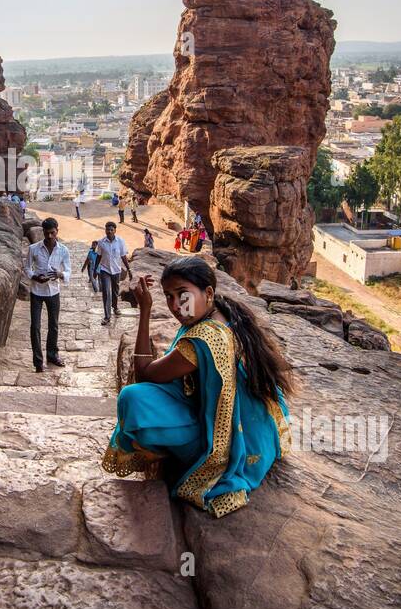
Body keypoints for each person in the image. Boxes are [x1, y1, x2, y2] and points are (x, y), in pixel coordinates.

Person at [101, 255, 294, 518]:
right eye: (168, 296)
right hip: (258, 427)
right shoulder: (223, 312)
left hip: (225, 439)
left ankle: (181, 452)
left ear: (209, 292)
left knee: (132, 398)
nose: (174, 305)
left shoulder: (203, 338)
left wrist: (144, 310)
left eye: (183, 295)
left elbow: (144, 374)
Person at [26, 218, 70, 372]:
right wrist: (34, 277)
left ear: (57, 230)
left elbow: (68, 271)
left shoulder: (63, 250)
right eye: (47, 233)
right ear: (43, 232)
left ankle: (52, 355)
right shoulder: (34, 249)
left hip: (53, 291)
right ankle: (38, 362)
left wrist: (60, 274)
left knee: (54, 326)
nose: (50, 236)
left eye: (52, 233)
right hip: (37, 291)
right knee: (35, 327)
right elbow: (27, 268)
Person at [95, 221, 132, 326]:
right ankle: (107, 316)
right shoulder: (101, 242)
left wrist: (129, 269)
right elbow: (99, 256)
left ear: (115, 230)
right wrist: (95, 269)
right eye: (108, 229)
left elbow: (123, 256)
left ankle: (115, 307)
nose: (109, 231)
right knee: (106, 292)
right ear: (105, 230)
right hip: (105, 270)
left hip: (116, 270)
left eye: (111, 230)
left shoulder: (120, 241)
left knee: (115, 291)